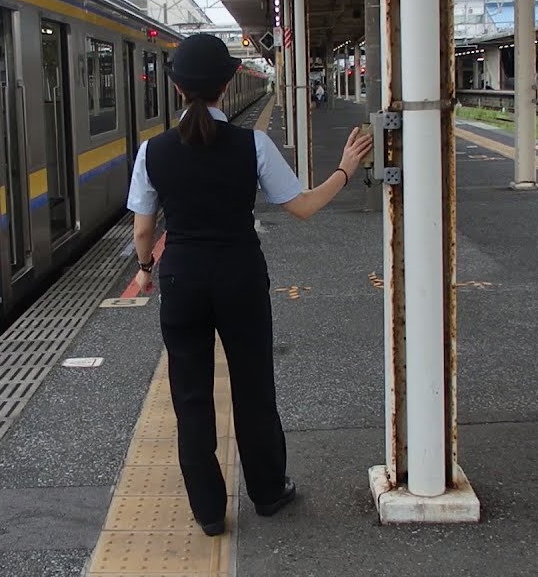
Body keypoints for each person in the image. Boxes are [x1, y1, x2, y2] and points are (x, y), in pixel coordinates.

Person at [126, 34, 373, 537]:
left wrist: (146, 269)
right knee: (254, 386)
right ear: (225, 85)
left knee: (190, 395)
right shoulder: (252, 144)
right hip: (239, 277)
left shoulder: (153, 152)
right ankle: (267, 491)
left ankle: (208, 511)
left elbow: (144, 231)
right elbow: (302, 206)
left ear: (177, 89)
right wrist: (345, 170)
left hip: (182, 280)